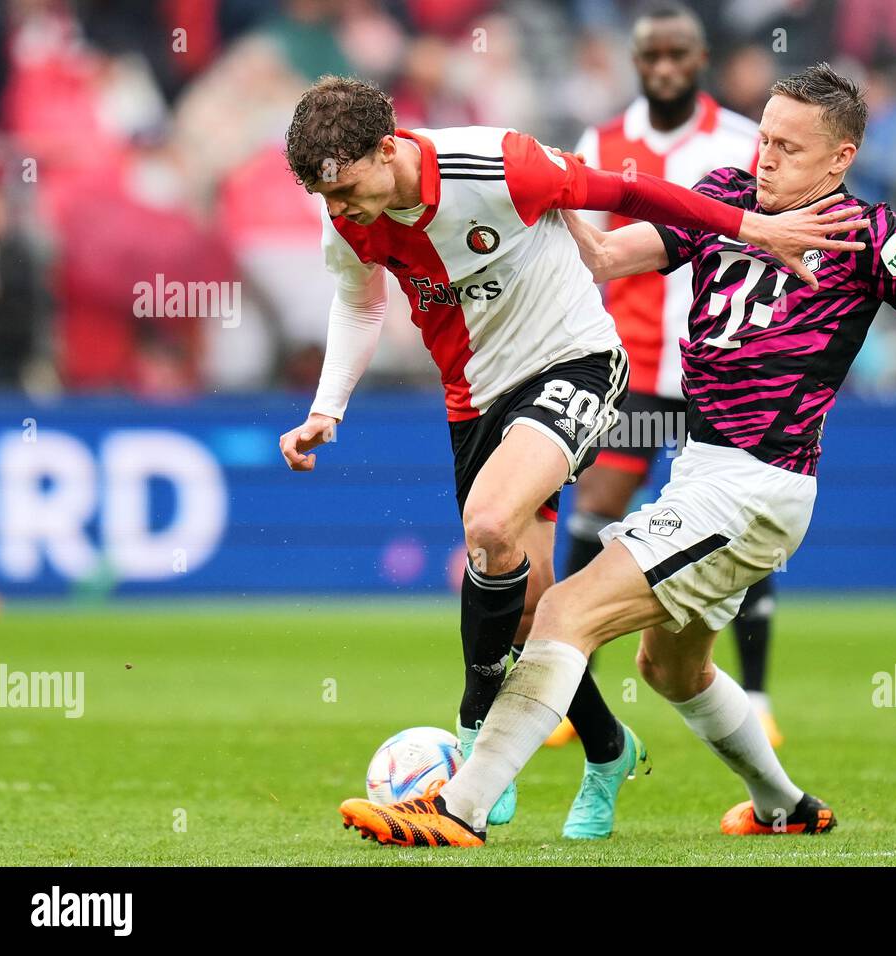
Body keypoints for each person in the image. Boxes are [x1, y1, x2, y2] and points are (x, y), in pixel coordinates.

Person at [335, 64, 896, 848]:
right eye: (763, 137)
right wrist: (534, 217)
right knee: (670, 666)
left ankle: (459, 810)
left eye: (788, 146)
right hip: (702, 471)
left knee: (564, 613)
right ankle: (785, 807)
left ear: (840, 157)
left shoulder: (867, 236)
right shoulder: (728, 199)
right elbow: (606, 255)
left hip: (758, 488)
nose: (765, 157)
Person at [278, 74, 863, 839]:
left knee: (489, 527)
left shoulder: (497, 165)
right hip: (475, 402)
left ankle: (469, 751)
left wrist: (755, 230)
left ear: (388, 150)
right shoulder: (349, 220)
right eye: (326, 198)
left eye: (348, 189)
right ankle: (610, 747)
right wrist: (328, 407)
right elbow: (360, 302)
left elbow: (632, 194)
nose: (340, 209)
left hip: (574, 363)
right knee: (529, 609)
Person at [556, 4, 786, 757]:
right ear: (635, 59)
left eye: (676, 53)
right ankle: (572, 690)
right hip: (633, 368)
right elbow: (581, 247)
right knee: (597, 507)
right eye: (650, 53)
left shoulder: (738, 141)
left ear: (700, 57)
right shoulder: (603, 140)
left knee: (741, 527)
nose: (662, 66)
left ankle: (756, 695)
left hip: (720, 370)